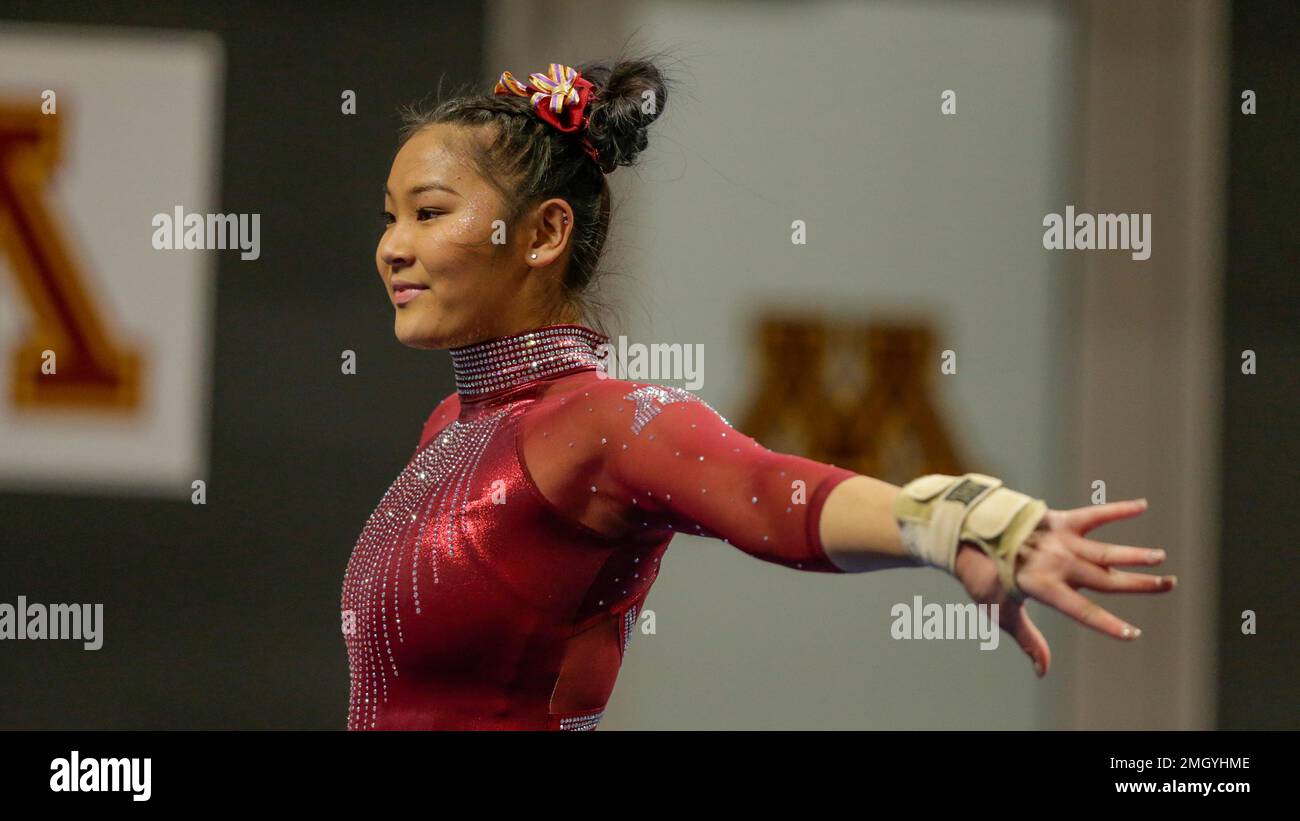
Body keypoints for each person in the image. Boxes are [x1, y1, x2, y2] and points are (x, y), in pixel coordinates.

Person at [340, 57, 1176, 731]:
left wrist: (955, 522)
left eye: (428, 213)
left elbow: (769, 491)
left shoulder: (601, 423)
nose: (392, 248)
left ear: (546, 233)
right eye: (388, 217)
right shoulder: (451, 423)